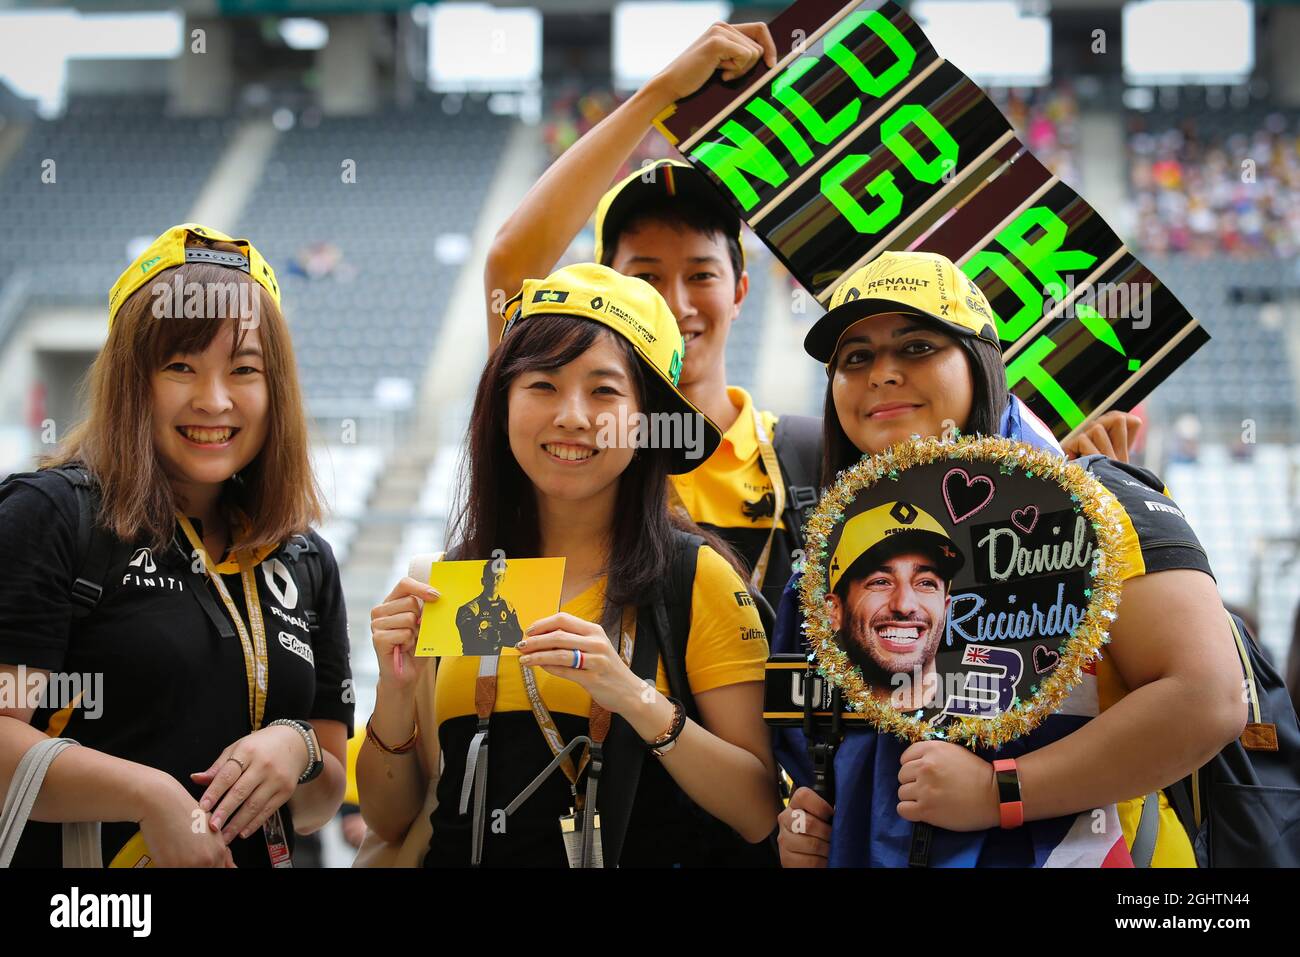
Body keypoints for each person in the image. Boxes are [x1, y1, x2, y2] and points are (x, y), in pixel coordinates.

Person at [485, 21, 1142, 614]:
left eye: (701, 275)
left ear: (740, 290)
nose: (676, 303)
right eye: (645, 277)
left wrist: (1059, 468)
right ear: (609, 296)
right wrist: (656, 96)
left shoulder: (825, 451)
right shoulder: (575, 448)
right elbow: (508, 271)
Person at [772, 249, 1246, 868]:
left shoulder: (1097, 504)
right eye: (855, 358)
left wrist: (1001, 795)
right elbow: (812, 744)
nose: (881, 374)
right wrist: (812, 823)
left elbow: (1208, 699)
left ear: (979, 362)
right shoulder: (823, 560)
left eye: (916, 346)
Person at [358, 264, 778, 867]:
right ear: (501, 404)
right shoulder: (447, 583)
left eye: (604, 390)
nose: (573, 416)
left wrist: (634, 698)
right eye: (542, 385)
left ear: (646, 419)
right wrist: (394, 696)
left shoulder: (697, 578)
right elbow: (392, 818)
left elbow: (760, 809)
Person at [0, 224, 352, 867]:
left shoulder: (306, 559)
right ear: (133, 382)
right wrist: (151, 798)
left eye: (244, 370)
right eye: (180, 367)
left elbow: (319, 802)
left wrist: (295, 748)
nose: (213, 400)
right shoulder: (52, 515)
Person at [827, 502, 962, 710]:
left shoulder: (996, 727)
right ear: (835, 610)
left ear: (945, 609)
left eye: (926, 583)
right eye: (880, 582)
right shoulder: (804, 729)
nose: (904, 605)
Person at [455, 560, 523, 655]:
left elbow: (517, 637)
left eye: (498, 577)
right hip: (472, 662)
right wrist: (502, 635)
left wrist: (497, 636)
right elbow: (472, 642)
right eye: (490, 577)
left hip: (495, 661)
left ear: (503, 579)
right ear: (483, 581)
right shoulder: (470, 609)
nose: (494, 581)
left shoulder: (508, 606)